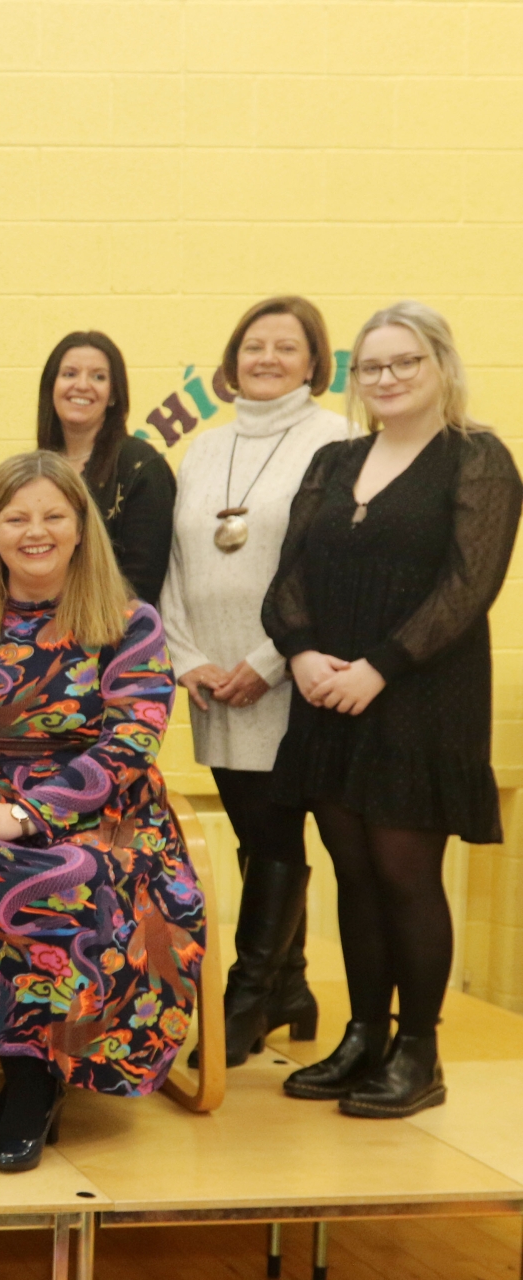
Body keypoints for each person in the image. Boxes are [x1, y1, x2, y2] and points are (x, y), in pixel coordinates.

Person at [0, 451, 204, 1173]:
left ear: (79, 528)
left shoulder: (130, 621)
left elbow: (132, 741)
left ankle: (38, 1083)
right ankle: (29, 1077)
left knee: (83, 876)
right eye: (17, 518)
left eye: (52, 516)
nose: (35, 531)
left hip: (105, 811)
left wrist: (29, 816)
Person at [263, 302, 521, 1118]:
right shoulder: (334, 461)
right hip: (328, 695)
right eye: (372, 366)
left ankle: (420, 1052)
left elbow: (468, 588)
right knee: (355, 873)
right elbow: (289, 572)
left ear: (440, 364)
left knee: (407, 875)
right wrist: (302, 653)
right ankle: (364, 1036)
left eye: (405, 361)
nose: (387, 378)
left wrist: (378, 668)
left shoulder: (477, 459)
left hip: (420, 696)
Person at [159, 297, 351, 1068]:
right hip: (212, 677)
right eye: (253, 345)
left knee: (274, 833)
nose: (266, 358)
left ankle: (248, 995)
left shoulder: (336, 441)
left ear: (315, 362)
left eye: (286, 346)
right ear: (232, 358)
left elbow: (327, 568)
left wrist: (270, 661)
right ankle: (293, 985)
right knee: (255, 833)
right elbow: (175, 565)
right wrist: (186, 658)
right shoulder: (204, 449)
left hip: (288, 675)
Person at [36, 331, 174, 603]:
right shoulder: (36, 469)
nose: (82, 385)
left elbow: (141, 584)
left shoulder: (141, 467)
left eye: (98, 377)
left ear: (113, 395)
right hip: (36, 634)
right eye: (69, 374)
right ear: (51, 387)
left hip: (114, 633)